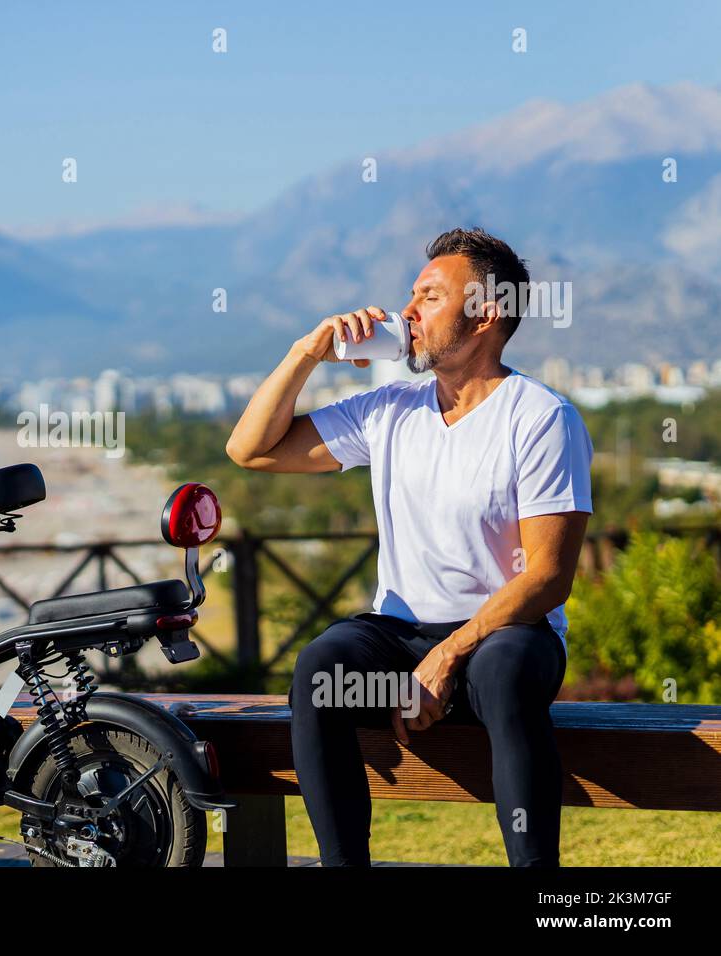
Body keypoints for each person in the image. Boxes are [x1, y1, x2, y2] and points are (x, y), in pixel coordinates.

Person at [225, 227, 593, 867]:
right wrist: (308, 351)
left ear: (485, 313)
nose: (408, 313)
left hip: (505, 638)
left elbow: (549, 578)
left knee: (503, 673)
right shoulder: (388, 408)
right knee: (320, 672)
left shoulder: (541, 417)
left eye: (429, 296)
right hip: (399, 638)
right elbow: (250, 449)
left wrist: (448, 658)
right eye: (411, 296)